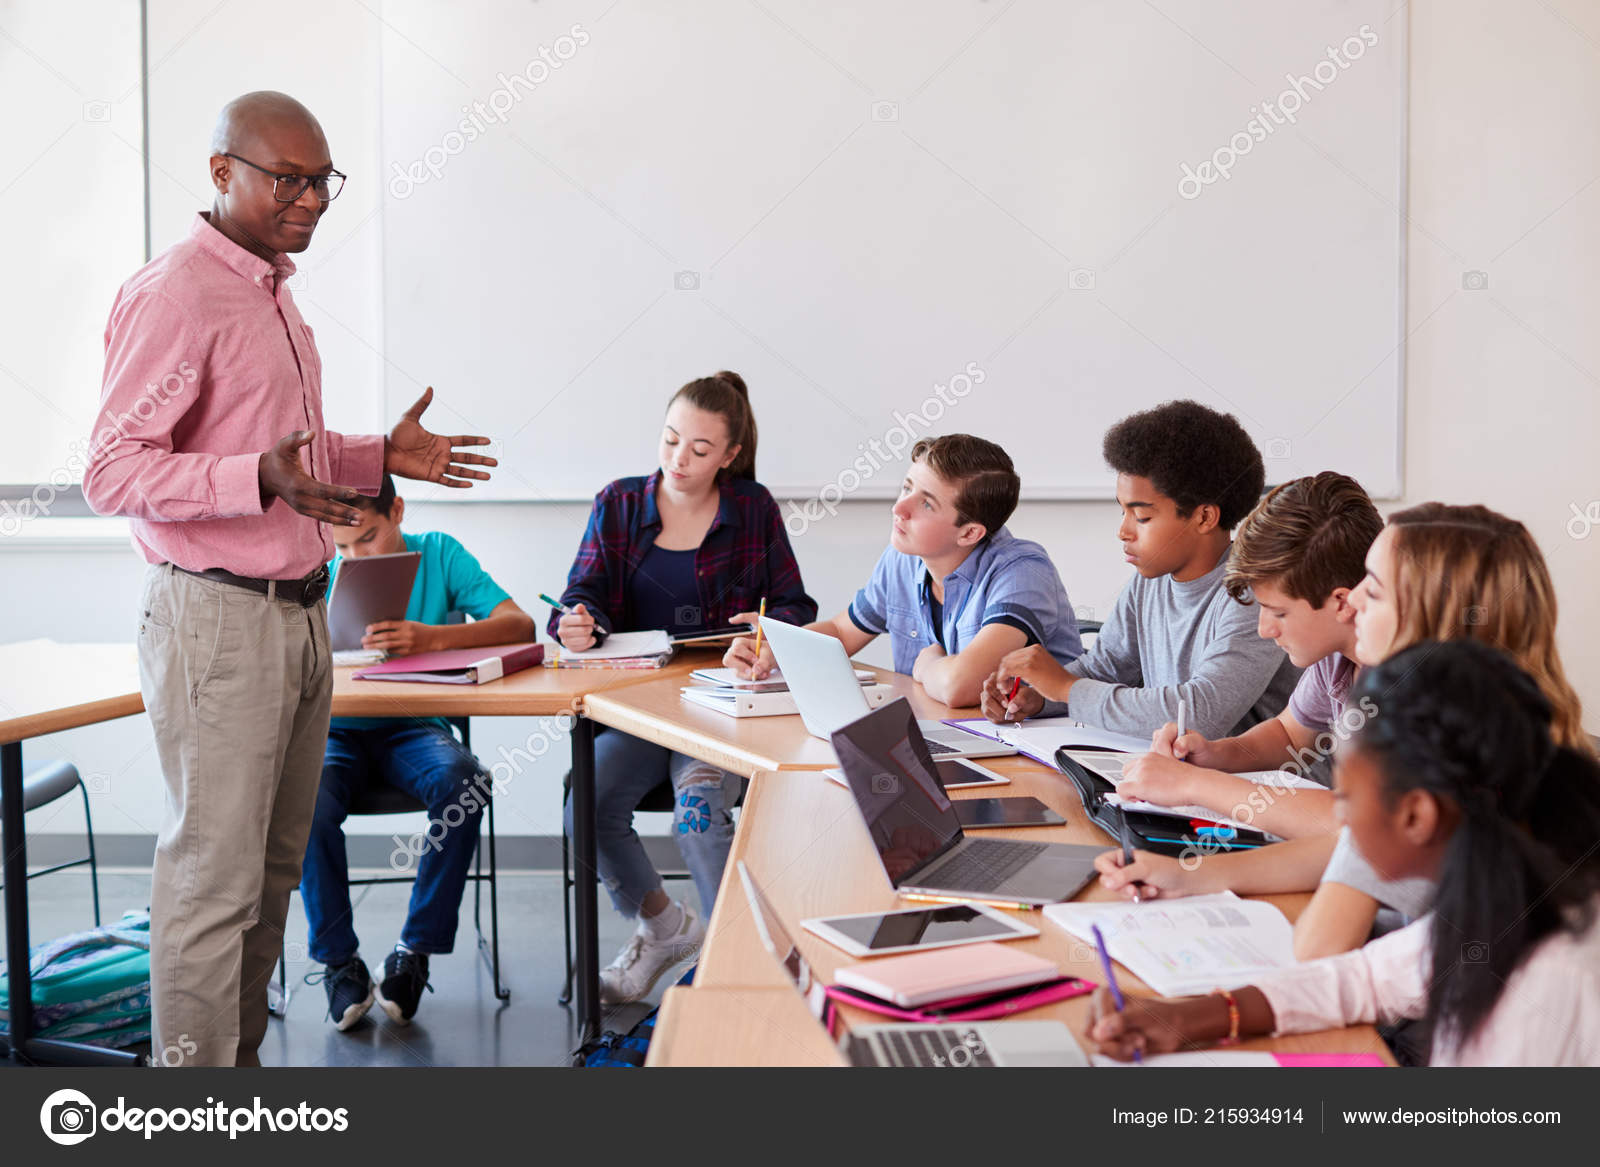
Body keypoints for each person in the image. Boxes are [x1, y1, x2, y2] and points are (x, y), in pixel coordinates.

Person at [82, 92, 494, 1066]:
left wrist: (378, 455)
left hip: (301, 618)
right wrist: (250, 479)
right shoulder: (173, 292)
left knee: (269, 878)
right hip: (218, 618)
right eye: (287, 179)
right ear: (222, 171)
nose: (310, 199)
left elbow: (286, 457)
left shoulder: (271, 287)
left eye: (321, 181)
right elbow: (111, 471)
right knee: (211, 884)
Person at [1096, 502, 1591, 962]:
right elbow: (1353, 846)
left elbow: (1334, 918)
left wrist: (1196, 792)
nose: (1349, 602)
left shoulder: (1456, 753)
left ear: (1425, 620)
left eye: (1371, 589)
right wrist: (1194, 875)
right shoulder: (1437, 717)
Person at [1089, 640, 1600, 1066]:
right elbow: (1366, 979)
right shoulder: (1500, 885)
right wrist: (1180, 1018)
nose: (1338, 820)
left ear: (1417, 816)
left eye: (1347, 798)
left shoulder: (1552, 978)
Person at [552, 372, 815, 1004]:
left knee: (699, 818)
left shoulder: (751, 508)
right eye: (670, 440)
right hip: (640, 707)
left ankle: (742, 962)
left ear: (729, 455)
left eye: (699, 450)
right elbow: (580, 596)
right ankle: (666, 929)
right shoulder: (618, 503)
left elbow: (795, 609)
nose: (678, 459)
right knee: (584, 805)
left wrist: (765, 638)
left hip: (719, 708)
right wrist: (578, 624)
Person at [302, 475, 536, 1029]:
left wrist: (432, 638)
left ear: (398, 510)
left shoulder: (439, 554)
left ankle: (414, 952)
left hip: (414, 729)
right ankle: (339, 962)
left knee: (466, 782)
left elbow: (520, 625)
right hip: (335, 730)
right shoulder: (314, 569)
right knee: (303, 798)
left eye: (370, 537)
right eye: (343, 547)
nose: (355, 557)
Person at [981, 400, 1298, 740]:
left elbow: (1202, 713)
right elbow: (1105, 668)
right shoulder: (1151, 580)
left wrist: (1068, 690)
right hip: (1175, 774)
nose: (1124, 531)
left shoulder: (1253, 594)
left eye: (1142, 517)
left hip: (1260, 784)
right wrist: (1039, 697)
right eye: (1123, 512)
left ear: (1204, 517)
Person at [1112, 471, 1382, 839]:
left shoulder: (1407, 678)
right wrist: (1215, 756)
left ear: (1341, 603)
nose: (1264, 630)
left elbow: (1362, 824)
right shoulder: (1336, 656)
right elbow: (1289, 734)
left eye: (1279, 612)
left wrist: (1193, 785)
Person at [725, 433, 1081, 707]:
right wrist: (779, 652)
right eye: (907, 487)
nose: (900, 507)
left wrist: (926, 666)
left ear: (969, 533)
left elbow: (960, 685)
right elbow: (842, 631)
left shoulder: (1022, 570)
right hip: (940, 732)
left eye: (926, 503)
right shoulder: (904, 558)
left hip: (1029, 754)